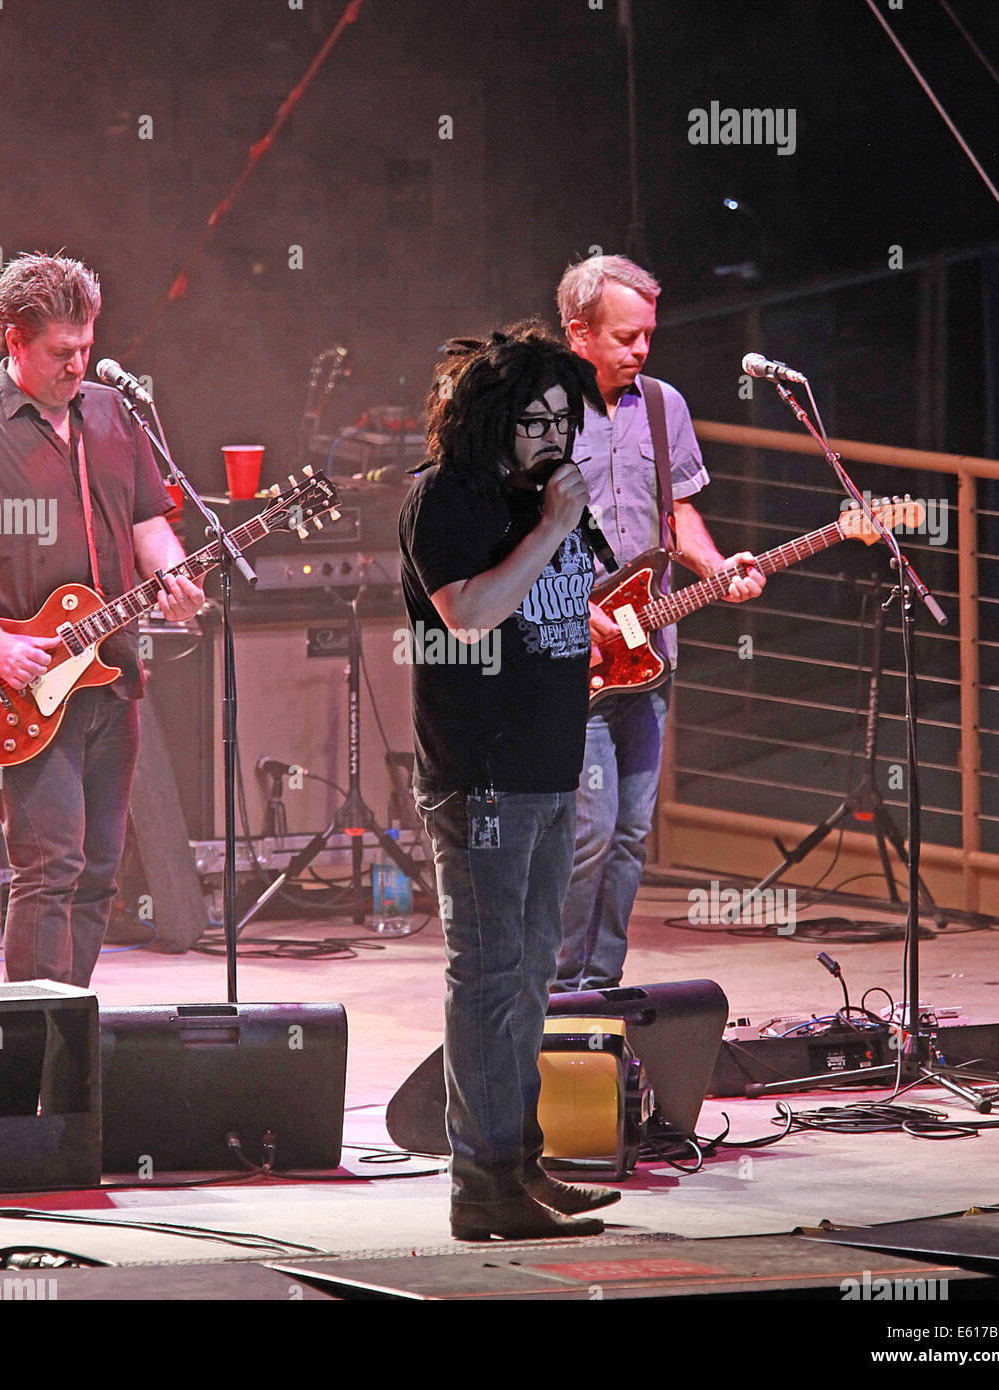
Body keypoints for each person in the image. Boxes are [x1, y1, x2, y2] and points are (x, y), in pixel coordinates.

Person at [0, 252, 203, 987]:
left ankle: (72, 1037)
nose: (79, 366)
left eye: (88, 348)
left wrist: (173, 574)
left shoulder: (112, 414)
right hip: (26, 690)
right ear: (14, 341)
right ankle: (24, 1050)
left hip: (112, 677)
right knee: (50, 868)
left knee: (99, 870)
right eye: (62, 353)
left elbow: (147, 524)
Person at [400, 321, 623, 1241]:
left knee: (529, 979)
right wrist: (549, 527)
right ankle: (480, 1189)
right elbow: (470, 615)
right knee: (488, 978)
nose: (553, 439)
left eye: (565, 421)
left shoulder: (544, 498)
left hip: (546, 770)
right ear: (490, 418)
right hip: (482, 780)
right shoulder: (444, 500)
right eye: (534, 421)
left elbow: (560, 613)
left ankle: (520, 1168)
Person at [554, 254, 765, 993]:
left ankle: (602, 989)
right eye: (623, 337)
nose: (640, 350)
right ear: (577, 334)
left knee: (632, 835)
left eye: (647, 334)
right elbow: (509, 533)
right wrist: (564, 606)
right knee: (589, 832)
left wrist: (716, 569)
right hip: (568, 658)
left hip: (649, 655)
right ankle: (556, 993)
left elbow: (676, 513)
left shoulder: (663, 405)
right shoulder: (538, 412)